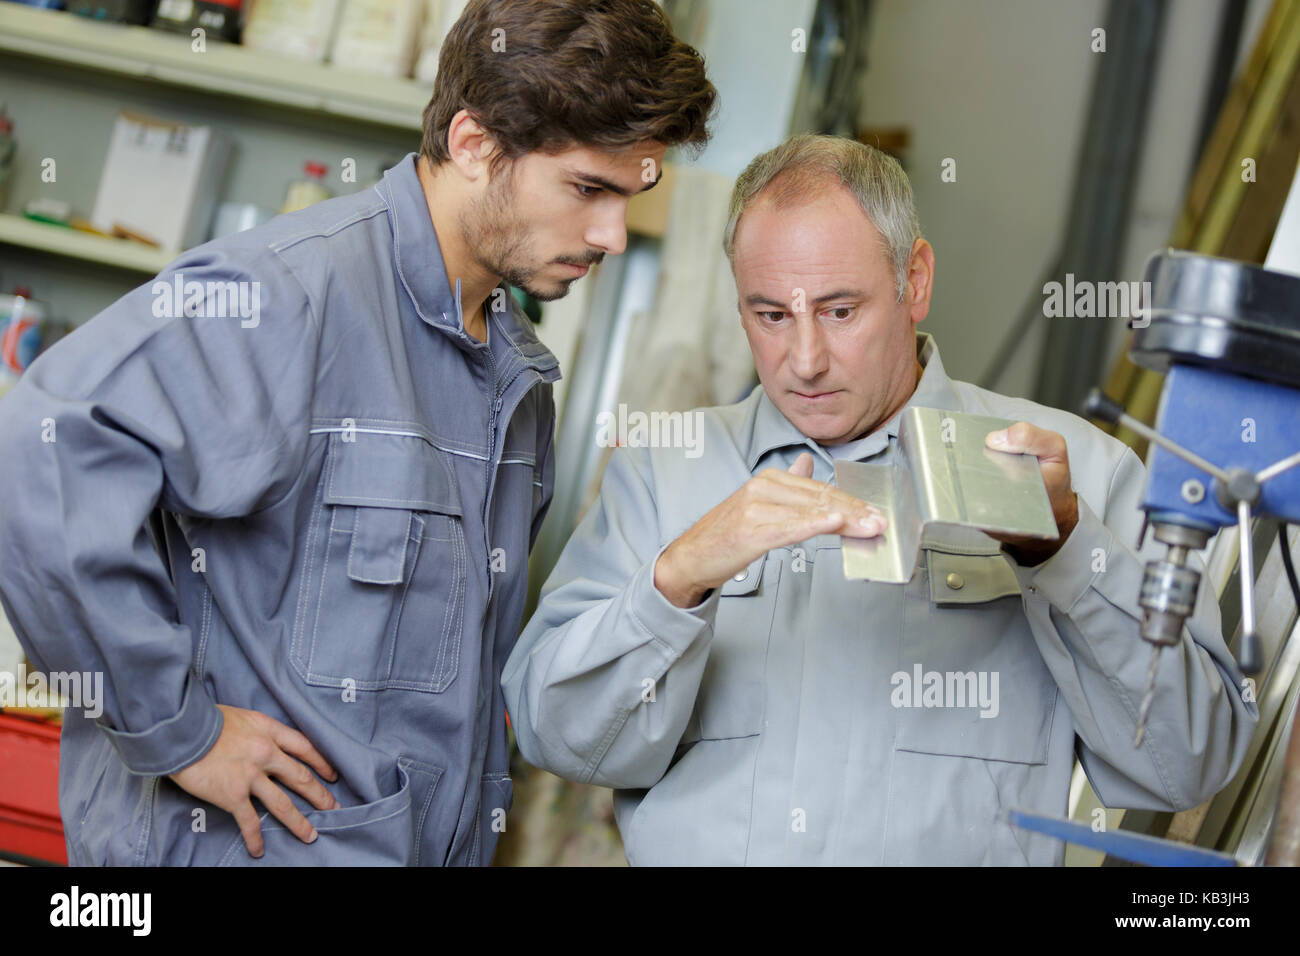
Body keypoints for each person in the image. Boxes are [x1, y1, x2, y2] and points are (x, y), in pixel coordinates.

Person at [0, 0, 714, 866]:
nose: (609, 234)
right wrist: (178, 731)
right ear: (475, 143)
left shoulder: (519, 383)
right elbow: (36, 452)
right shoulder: (285, 298)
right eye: (587, 190)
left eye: (627, 196)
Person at [502, 133, 1259, 865]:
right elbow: (558, 737)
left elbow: (1190, 761)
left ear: (915, 281)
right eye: (771, 315)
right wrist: (678, 580)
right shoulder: (665, 470)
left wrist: (1064, 550)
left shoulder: (1076, 472)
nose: (804, 360)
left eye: (839, 311)